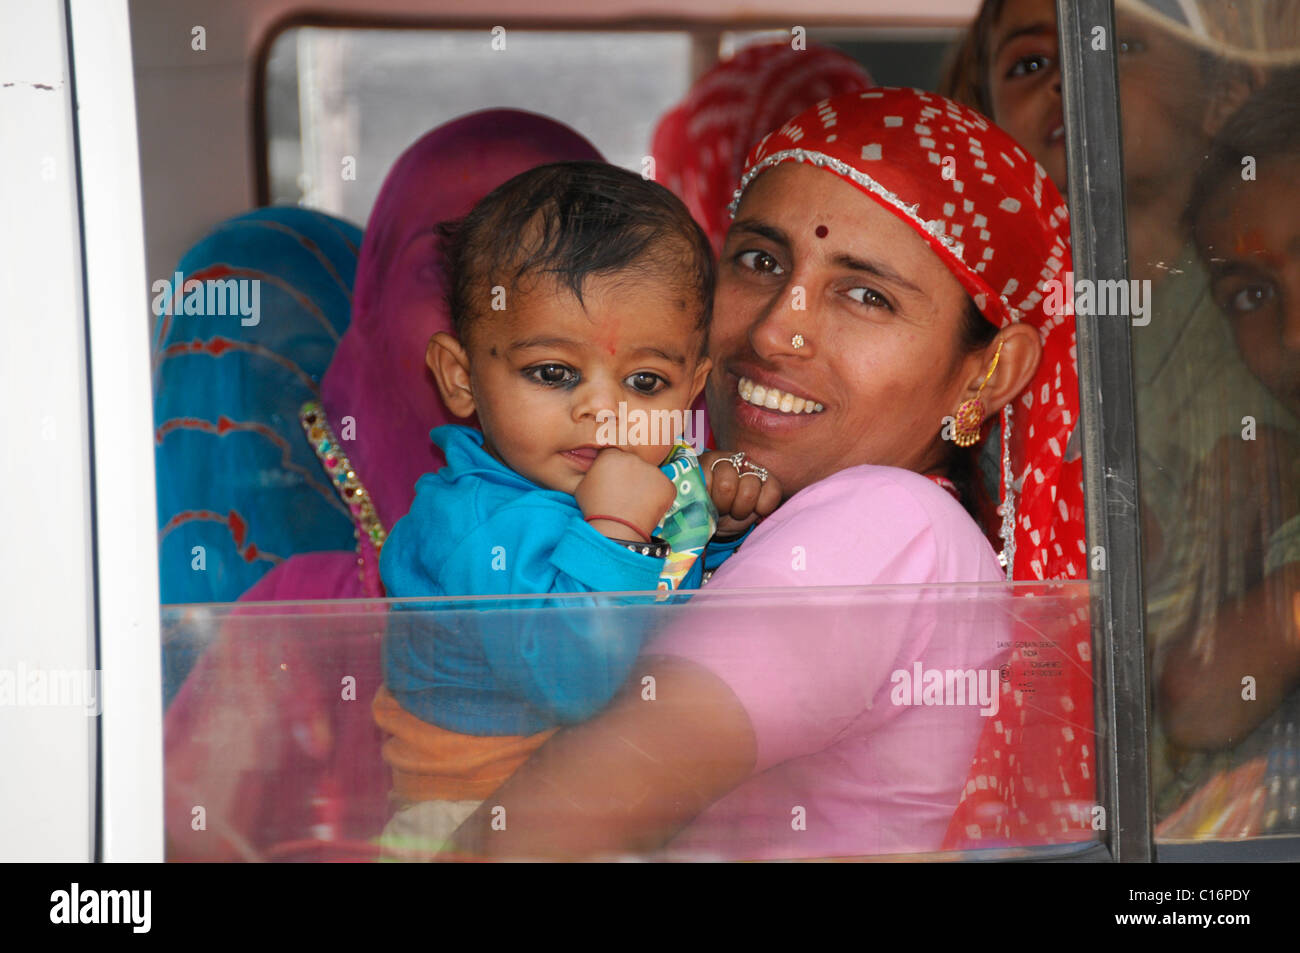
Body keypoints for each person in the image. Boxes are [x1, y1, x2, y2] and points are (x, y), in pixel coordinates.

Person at [445, 86, 1086, 860]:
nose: (779, 326)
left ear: (989, 373)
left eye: (865, 294)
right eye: (759, 260)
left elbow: (527, 840)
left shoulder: (885, 525)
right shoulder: (726, 508)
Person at [163, 110, 610, 860]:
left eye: (567, 273)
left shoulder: (696, 574)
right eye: (451, 271)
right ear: (367, 311)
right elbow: (175, 846)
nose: (502, 318)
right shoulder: (291, 616)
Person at [941, 0, 1300, 821]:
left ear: (1225, 92)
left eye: (1119, 44)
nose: (1071, 76)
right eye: (1029, 63)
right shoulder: (987, 317)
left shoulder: (1256, 316)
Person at [374, 160, 782, 850]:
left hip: (603, 806)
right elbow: (573, 681)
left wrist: (718, 529)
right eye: (553, 373)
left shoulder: (651, 482)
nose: (605, 410)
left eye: (646, 381)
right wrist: (617, 529)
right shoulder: (472, 522)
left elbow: (675, 611)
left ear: (691, 393)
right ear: (461, 376)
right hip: (470, 826)